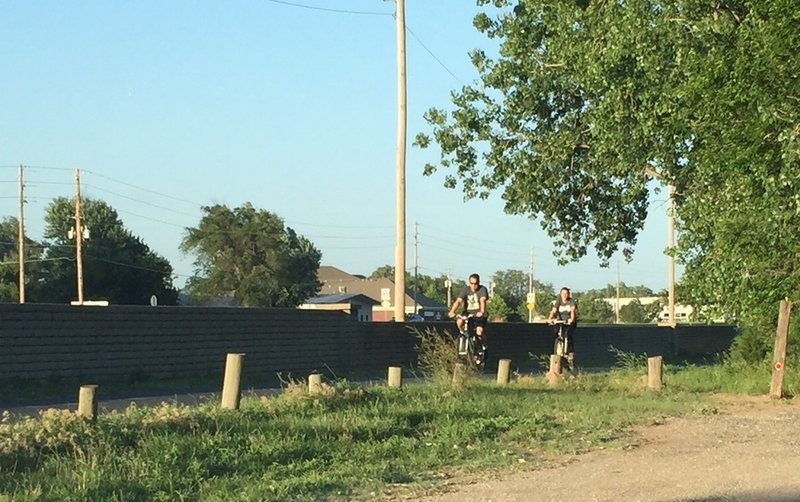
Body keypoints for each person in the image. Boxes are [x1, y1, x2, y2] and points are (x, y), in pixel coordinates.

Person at [448, 273, 489, 360]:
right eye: (471, 283)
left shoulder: (482, 289)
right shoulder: (465, 290)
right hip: (467, 315)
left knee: (479, 332)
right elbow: (458, 301)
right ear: (469, 282)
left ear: (478, 283)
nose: (473, 286)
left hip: (479, 316)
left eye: (475, 283)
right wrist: (452, 311)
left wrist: (481, 311)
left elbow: (483, 301)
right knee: (459, 321)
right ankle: (463, 335)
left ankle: (483, 345)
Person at [547, 287, 578, 368]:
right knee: (555, 333)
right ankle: (557, 350)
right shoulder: (558, 301)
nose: (564, 295)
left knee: (568, 335)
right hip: (560, 321)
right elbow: (553, 311)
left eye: (566, 293)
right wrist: (550, 319)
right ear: (560, 294)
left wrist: (572, 319)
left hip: (569, 322)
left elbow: (572, 311)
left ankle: (570, 352)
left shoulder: (571, 301)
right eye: (562, 293)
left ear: (568, 294)